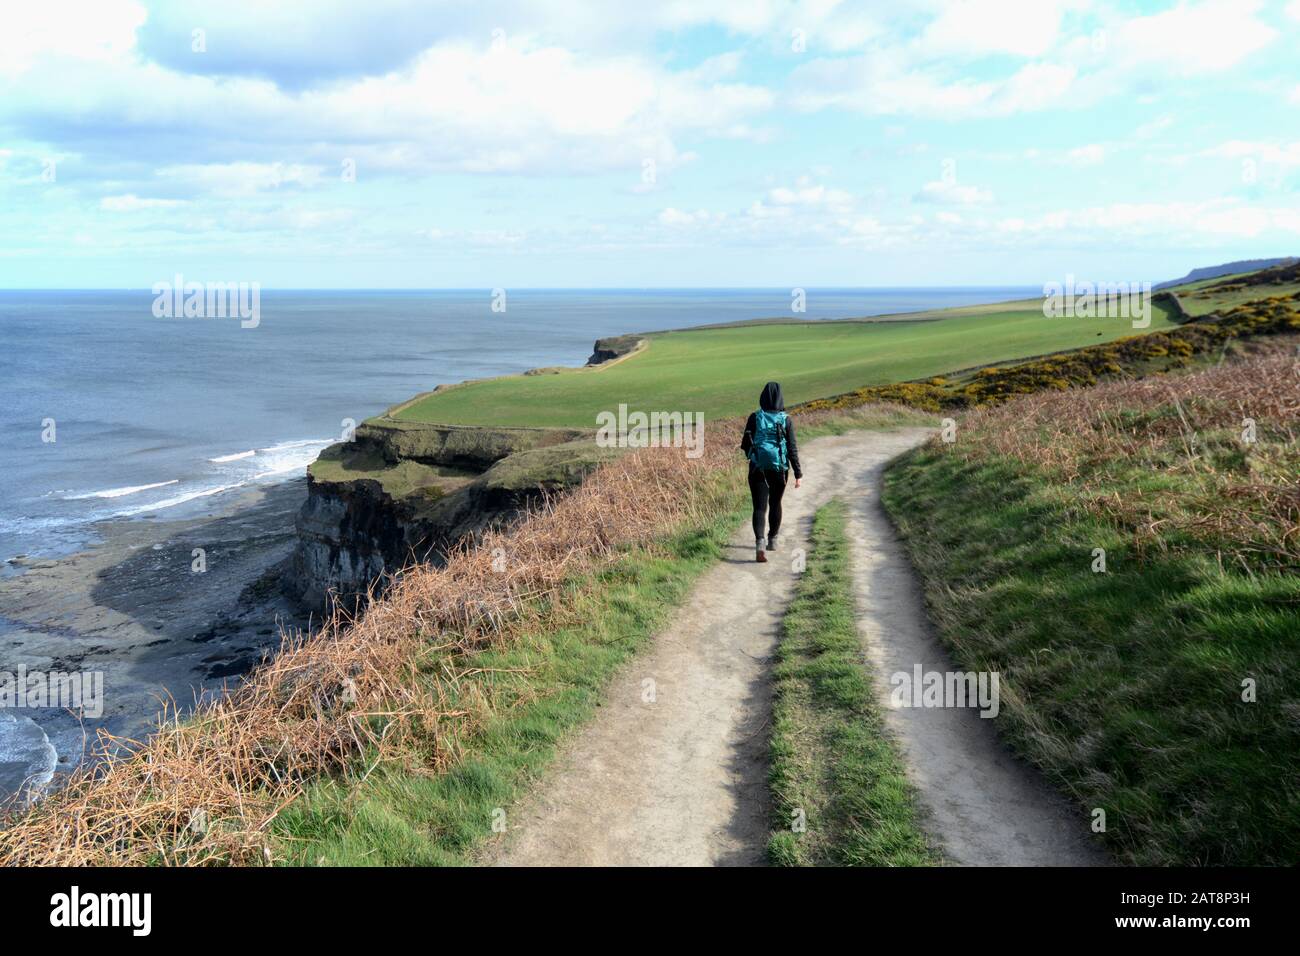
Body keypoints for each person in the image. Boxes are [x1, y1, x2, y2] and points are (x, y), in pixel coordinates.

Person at [740, 381, 802, 563]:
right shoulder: (786, 420)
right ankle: (772, 539)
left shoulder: (754, 417)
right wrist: (798, 474)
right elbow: (792, 448)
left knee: (759, 507)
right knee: (776, 503)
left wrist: (754, 455)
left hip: (757, 468)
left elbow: (745, 444)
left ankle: (759, 542)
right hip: (779, 470)